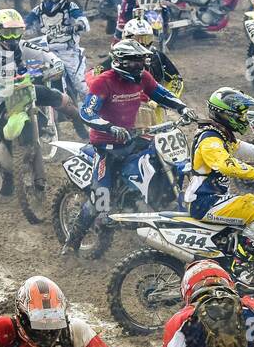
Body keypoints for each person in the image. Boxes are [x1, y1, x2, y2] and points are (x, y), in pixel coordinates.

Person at [64, 40, 191, 251]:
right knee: (100, 198)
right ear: (121, 62)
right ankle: (72, 241)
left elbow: (160, 93)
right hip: (106, 145)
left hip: (132, 136)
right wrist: (109, 127)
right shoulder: (104, 82)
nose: (141, 66)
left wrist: (182, 108)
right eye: (135, 63)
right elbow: (87, 112)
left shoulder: (142, 78)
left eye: (142, 62)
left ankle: (147, 200)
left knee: (159, 160)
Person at [0, 8, 71, 205]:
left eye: (16, 32)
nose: (12, 37)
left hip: (21, 91)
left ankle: (81, 118)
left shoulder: (22, 45)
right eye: (7, 33)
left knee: (54, 95)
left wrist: (56, 64)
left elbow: (45, 54)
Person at [182, 89, 254, 289]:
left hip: (215, 197)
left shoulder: (220, 133)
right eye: (241, 113)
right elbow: (226, 164)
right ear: (226, 113)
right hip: (205, 201)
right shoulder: (210, 139)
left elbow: (238, 146)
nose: (243, 117)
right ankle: (240, 267)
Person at [24, 0, 90, 102]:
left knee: (79, 84)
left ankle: (90, 109)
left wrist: (79, 25)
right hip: (45, 50)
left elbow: (82, 19)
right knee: (31, 76)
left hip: (68, 51)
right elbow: (26, 21)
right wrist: (21, 28)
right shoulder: (38, 10)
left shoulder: (70, 7)